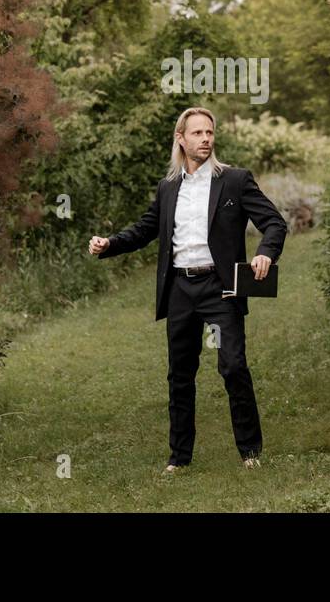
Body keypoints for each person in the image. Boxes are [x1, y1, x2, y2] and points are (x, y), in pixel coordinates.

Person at [89, 105, 288, 473]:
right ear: (181, 139)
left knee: (232, 366)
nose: (206, 139)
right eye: (197, 133)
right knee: (179, 375)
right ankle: (179, 458)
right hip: (180, 288)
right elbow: (146, 229)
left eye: (209, 132)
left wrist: (265, 255)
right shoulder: (168, 187)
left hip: (221, 287)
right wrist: (110, 244)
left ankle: (250, 451)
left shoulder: (235, 180)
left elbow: (274, 223)